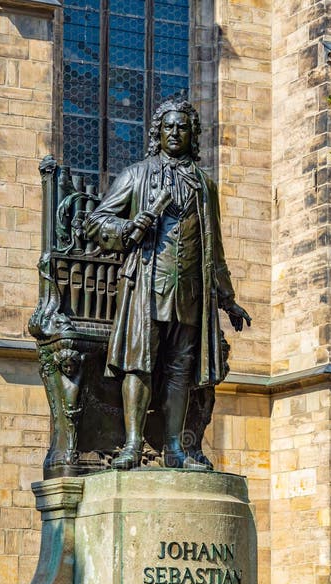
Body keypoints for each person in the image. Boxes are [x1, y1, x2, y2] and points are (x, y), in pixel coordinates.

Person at [85, 97, 251, 470]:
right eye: (168, 127)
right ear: (157, 133)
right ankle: (131, 444)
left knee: (180, 369)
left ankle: (175, 448)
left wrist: (228, 299)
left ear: (193, 135)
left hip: (190, 291)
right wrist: (128, 227)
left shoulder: (203, 186)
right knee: (139, 364)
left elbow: (215, 247)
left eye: (182, 127)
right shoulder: (136, 175)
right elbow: (96, 222)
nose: (174, 133)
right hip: (146, 285)